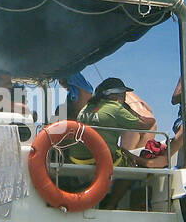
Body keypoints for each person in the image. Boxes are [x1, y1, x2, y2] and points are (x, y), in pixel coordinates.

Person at [66, 77, 156, 209]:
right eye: (123, 94)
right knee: (134, 167)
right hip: (102, 159)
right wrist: (130, 110)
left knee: (122, 152)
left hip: (78, 158)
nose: (124, 98)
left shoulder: (86, 108)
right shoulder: (116, 108)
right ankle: (111, 203)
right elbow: (148, 124)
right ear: (115, 95)